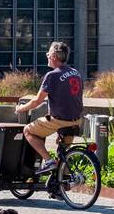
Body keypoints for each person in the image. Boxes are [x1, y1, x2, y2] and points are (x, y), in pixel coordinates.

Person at [14, 41, 84, 189]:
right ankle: (59, 186)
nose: (47, 56)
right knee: (62, 153)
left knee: (28, 130)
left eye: (48, 54)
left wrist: (21, 109)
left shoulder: (52, 75)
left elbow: (37, 101)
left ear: (53, 56)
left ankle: (47, 160)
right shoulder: (76, 73)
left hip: (59, 121)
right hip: (76, 121)